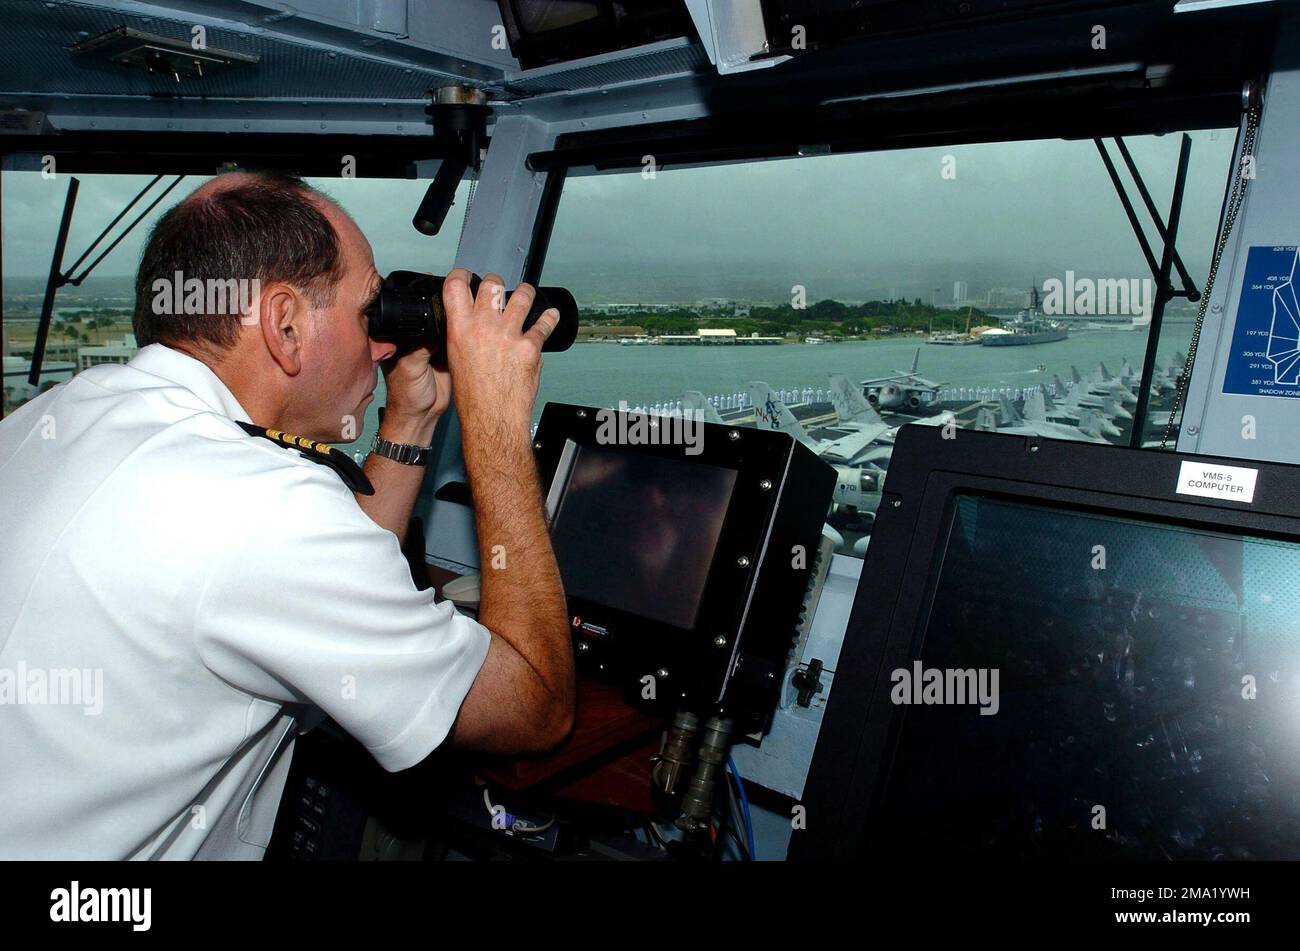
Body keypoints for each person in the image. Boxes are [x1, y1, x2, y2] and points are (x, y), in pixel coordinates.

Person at [0, 171, 574, 859]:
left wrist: (412, 420)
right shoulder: (262, 508)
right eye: (370, 314)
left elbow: (329, 585)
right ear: (285, 326)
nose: (383, 345)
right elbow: (535, 705)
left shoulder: (59, 413)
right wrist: (500, 424)